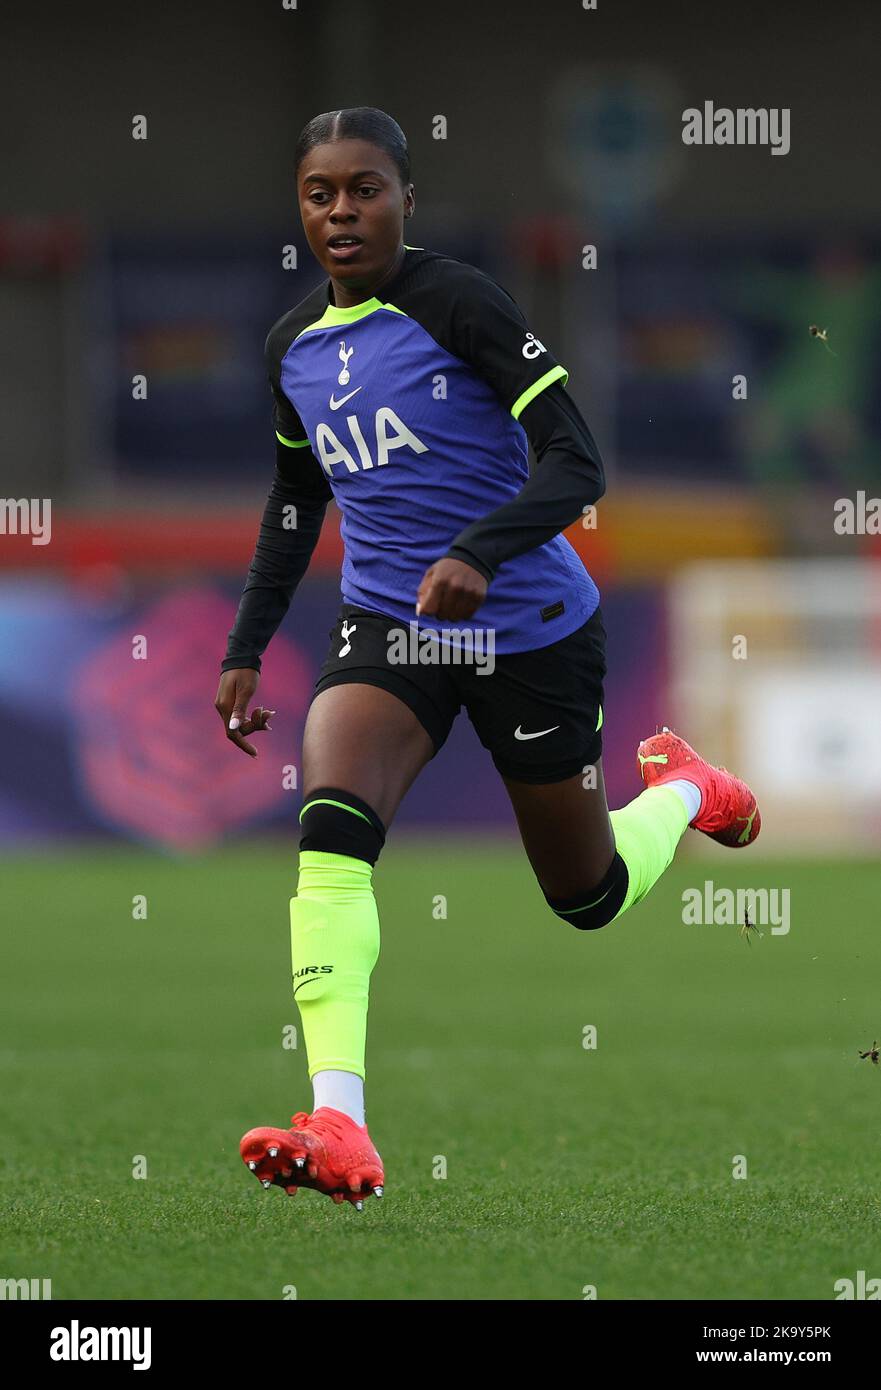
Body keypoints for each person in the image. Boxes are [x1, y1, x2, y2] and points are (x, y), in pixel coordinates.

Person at [215, 107, 760, 1212]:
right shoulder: (293, 351)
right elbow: (294, 500)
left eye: (363, 189)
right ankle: (341, 1121)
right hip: (393, 622)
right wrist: (244, 646)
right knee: (329, 831)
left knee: (586, 896)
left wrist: (480, 545)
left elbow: (577, 459)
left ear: (404, 197)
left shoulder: (457, 301)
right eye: (319, 193)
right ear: (301, 207)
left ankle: (683, 790)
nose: (340, 212)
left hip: (531, 629)